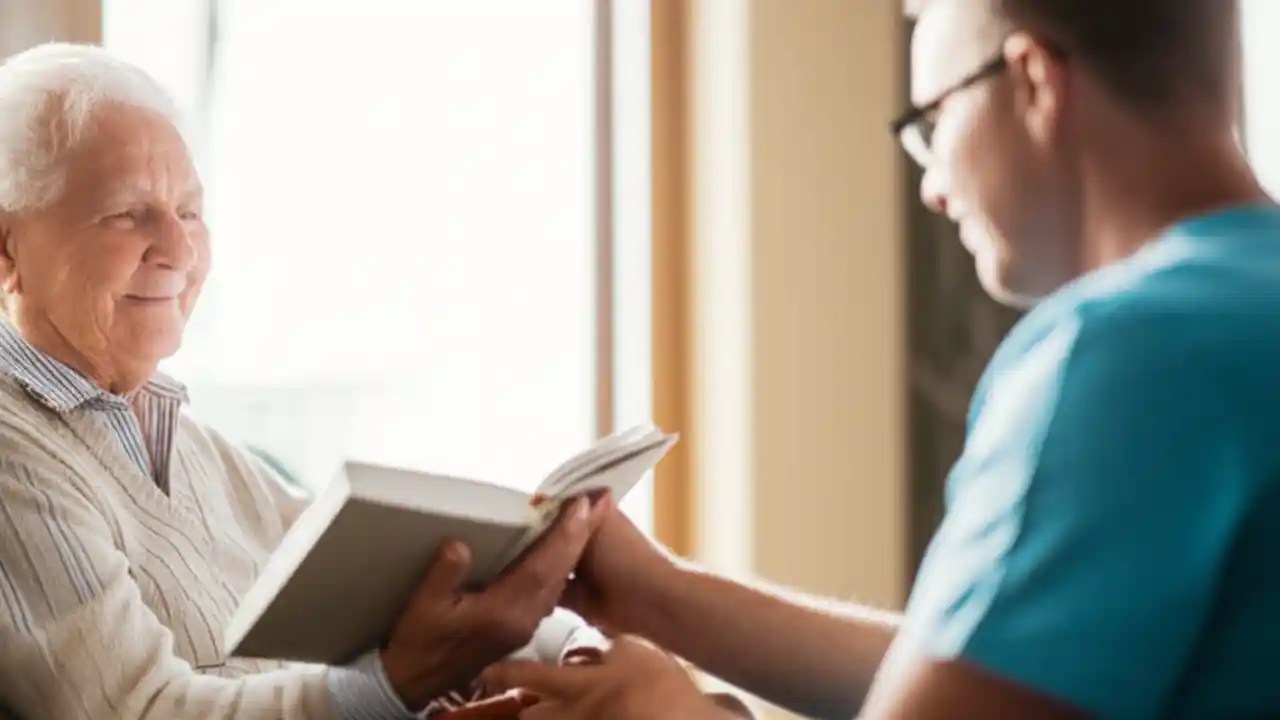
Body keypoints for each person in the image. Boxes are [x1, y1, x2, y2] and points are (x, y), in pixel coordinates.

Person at [487, 0, 1280, 717]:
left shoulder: (1126, 357)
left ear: (1034, 82)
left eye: (934, 119)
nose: (933, 187)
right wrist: (661, 598)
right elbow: (1004, 678)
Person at [0, 43, 609, 719]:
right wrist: (388, 688)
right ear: (7, 252)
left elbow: (376, 578)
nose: (179, 250)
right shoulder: (15, 458)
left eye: (190, 211)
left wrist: (570, 650)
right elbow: (137, 711)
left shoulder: (190, 443)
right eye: (125, 213)